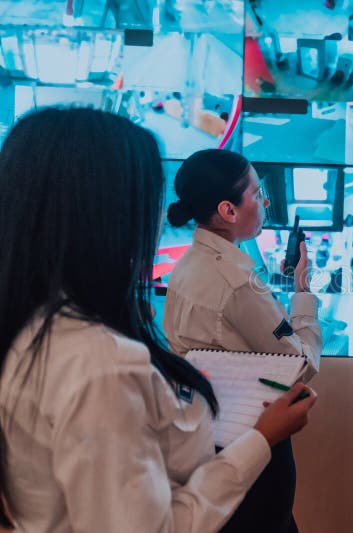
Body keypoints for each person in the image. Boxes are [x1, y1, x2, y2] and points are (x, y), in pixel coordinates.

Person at [0, 107, 317, 532]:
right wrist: (262, 438)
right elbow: (301, 364)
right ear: (106, 219)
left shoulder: (28, 330)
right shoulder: (102, 366)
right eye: (141, 203)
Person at [162, 149, 322, 533]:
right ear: (228, 211)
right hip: (248, 447)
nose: (265, 201)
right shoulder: (236, 281)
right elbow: (302, 365)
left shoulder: (190, 264)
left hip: (202, 441)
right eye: (257, 192)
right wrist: (303, 294)